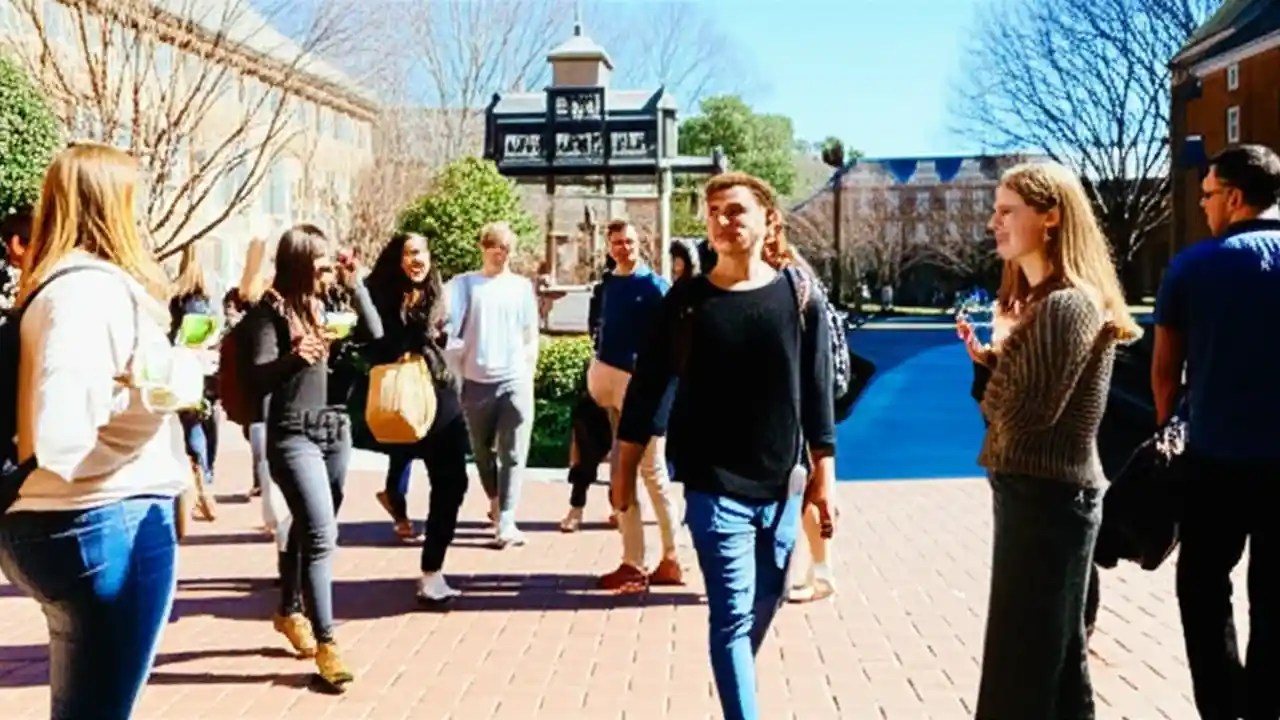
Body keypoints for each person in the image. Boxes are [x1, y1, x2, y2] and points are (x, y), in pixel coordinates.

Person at [614, 172, 836, 720]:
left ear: (768, 221)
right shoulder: (686, 302)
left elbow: (816, 391)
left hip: (784, 485)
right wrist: (623, 466)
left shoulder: (799, 296)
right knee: (732, 616)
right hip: (714, 487)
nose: (722, 220)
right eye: (713, 211)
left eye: (736, 210)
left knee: (769, 599)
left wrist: (824, 474)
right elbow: (647, 388)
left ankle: (733, 668)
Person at [0, 143, 191, 718]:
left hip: (69, 521)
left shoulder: (56, 287)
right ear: (114, 206)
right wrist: (158, 402)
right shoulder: (86, 290)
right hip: (101, 519)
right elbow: (62, 438)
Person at [956, 161, 1140, 719]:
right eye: (995, 210)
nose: (994, 222)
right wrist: (993, 360)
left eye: (1007, 210)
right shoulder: (1044, 303)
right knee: (1052, 668)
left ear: (1051, 217)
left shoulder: (1066, 305)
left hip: (1049, 501)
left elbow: (1025, 413)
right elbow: (1011, 411)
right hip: (1040, 496)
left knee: (1024, 669)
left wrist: (1004, 352)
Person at [1151, 143, 1280, 720]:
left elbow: (1163, 374)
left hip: (1216, 457)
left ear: (1233, 197)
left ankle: (1223, 707)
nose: (1203, 206)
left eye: (1207, 195)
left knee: (1202, 586)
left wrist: (1167, 431)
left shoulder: (1192, 267)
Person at [245, 224, 376, 691]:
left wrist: (355, 282)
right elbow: (258, 379)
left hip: (332, 432)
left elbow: (375, 334)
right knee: (322, 533)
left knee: (307, 524)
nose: (327, 268)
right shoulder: (269, 313)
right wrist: (296, 357)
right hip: (292, 436)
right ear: (300, 262)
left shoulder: (324, 304)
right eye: (320, 261)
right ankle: (327, 644)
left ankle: (288, 609)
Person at [363, 232, 473, 604]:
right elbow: (378, 341)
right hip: (401, 395)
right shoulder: (380, 294)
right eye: (410, 253)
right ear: (397, 258)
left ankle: (432, 570)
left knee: (453, 481)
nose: (417, 260)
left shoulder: (435, 291)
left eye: (422, 252)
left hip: (438, 391)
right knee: (416, 470)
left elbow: (434, 334)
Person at [588, 219, 682, 591]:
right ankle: (633, 559)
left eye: (628, 241)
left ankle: (669, 558)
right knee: (620, 473)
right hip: (608, 385)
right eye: (616, 243)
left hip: (642, 388)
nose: (622, 248)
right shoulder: (608, 284)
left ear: (639, 243)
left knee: (651, 473)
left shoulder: (655, 286)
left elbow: (670, 341)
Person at [445, 222, 539, 548]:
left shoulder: (521, 287)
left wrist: (528, 371)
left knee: (513, 452)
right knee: (482, 451)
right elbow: (449, 329)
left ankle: (508, 518)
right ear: (483, 248)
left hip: (514, 378)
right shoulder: (464, 285)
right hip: (475, 380)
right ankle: (496, 501)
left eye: (506, 247)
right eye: (494, 246)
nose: (500, 253)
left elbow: (530, 334)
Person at [169, 245, 219, 521]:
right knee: (205, 423)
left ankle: (200, 479)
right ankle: (205, 478)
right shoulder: (208, 300)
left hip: (185, 367)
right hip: (206, 368)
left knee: (192, 424)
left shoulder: (178, 299)